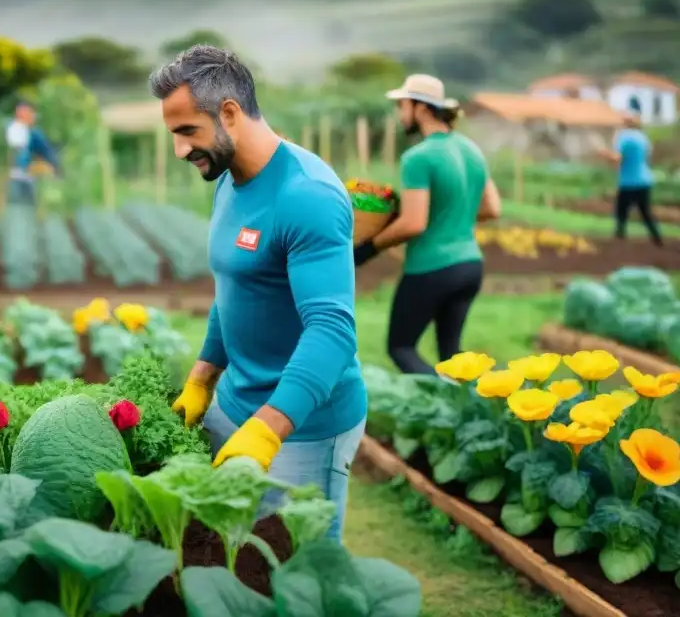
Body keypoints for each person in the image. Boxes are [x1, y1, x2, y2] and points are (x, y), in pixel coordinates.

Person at [152, 45, 366, 541]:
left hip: (301, 426)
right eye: (174, 135)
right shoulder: (228, 181)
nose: (180, 150)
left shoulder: (308, 195)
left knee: (301, 576)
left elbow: (332, 331)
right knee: (229, 560)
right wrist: (203, 379)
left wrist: (270, 427)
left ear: (229, 112)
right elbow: (236, 287)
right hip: (233, 405)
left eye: (187, 131)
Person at [353, 74, 501, 376]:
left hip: (432, 268)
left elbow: (413, 223)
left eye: (402, 105)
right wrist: (449, 218)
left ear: (420, 108)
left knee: (401, 348)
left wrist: (368, 249)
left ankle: (442, 400)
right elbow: (492, 208)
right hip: (470, 265)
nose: (399, 113)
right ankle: (463, 412)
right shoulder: (470, 148)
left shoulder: (418, 158)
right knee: (451, 355)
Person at [598, 112, 663, 246]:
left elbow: (618, 158)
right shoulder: (642, 137)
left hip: (629, 181)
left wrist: (604, 154)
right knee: (645, 212)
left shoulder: (624, 137)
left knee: (621, 211)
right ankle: (657, 238)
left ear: (625, 123)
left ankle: (619, 239)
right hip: (644, 179)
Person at [5, 102, 60, 204]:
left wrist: (54, 168)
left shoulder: (34, 133)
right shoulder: (10, 129)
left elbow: (46, 151)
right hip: (11, 178)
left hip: (28, 177)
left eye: (30, 114)